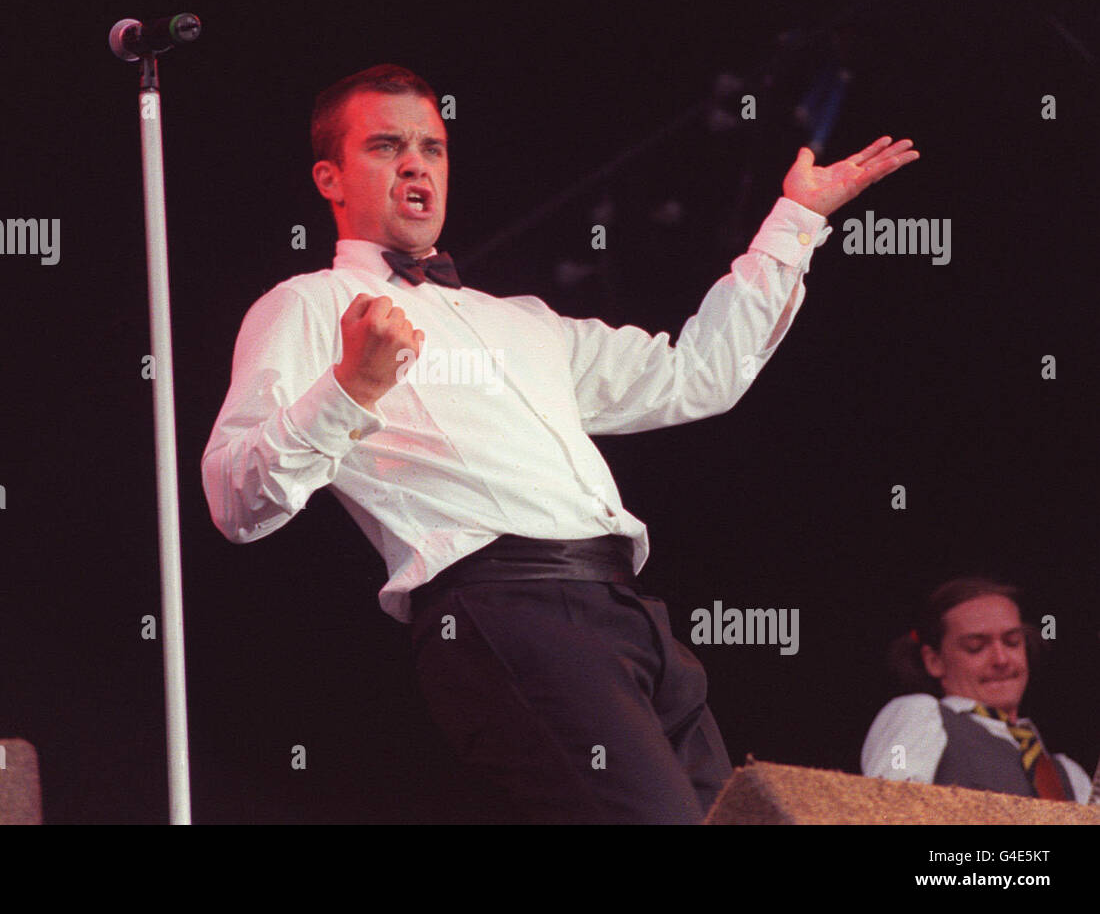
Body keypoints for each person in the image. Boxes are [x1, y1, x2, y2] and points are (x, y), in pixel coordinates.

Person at [202, 63, 919, 822]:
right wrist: (350, 385)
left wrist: (794, 223)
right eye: (385, 146)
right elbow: (235, 499)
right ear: (330, 178)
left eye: (432, 147)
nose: (416, 162)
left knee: (738, 817)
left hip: (626, 606)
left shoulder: (525, 319)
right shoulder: (308, 305)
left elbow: (698, 375)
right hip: (507, 603)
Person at [861, 577, 1093, 802]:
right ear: (934, 661)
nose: (1001, 659)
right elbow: (886, 808)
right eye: (976, 647)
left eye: (1012, 642)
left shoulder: (1069, 775)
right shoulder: (916, 715)